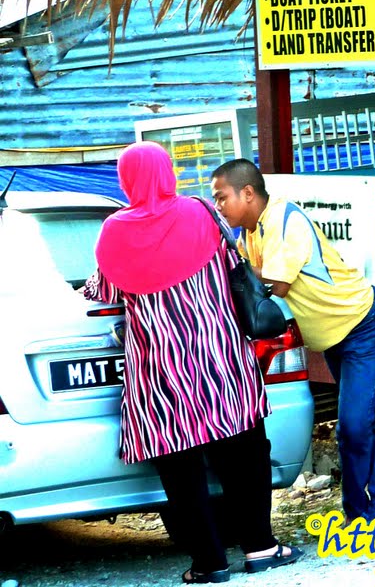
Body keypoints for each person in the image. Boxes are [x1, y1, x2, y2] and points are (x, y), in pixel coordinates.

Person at [87, 142, 301, 583]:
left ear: (127, 179)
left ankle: (209, 563)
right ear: (168, 173)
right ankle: (261, 547)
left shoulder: (114, 231)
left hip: (161, 372)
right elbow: (231, 265)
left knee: (181, 471)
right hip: (221, 361)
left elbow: (104, 290)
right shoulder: (201, 211)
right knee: (245, 454)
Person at [210, 160, 375, 526]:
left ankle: (373, 516)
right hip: (332, 335)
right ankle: (373, 515)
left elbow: (275, 285)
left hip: (363, 324)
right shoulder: (249, 234)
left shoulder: (284, 220)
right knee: (368, 421)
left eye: (222, 198)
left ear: (247, 193)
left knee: (355, 425)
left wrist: (234, 270)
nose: (218, 206)